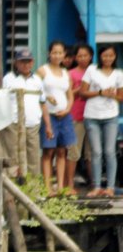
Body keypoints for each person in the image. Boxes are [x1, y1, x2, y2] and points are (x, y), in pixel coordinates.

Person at [80, 45, 123, 197]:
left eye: (111, 56)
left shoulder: (118, 73)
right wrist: (99, 92)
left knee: (110, 151)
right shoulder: (92, 69)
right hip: (92, 116)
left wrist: (112, 95)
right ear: (100, 56)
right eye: (105, 55)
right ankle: (96, 186)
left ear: (115, 57)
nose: (108, 59)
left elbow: (121, 97)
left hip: (111, 116)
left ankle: (110, 187)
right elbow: (82, 92)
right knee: (96, 152)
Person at [38, 41, 76, 195]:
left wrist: (67, 109)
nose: (57, 55)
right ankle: (47, 186)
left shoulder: (66, 73)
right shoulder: (43, 71)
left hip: (64, 116)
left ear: (64, 54)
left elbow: (70, 95)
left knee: (62, 152)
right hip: (48, 116)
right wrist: (47, 97)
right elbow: (35, 89)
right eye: (54, 52)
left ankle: (60, 186)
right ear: (49, 53)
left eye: (60, 53)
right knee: (48, 152)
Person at [0, 48, 45, 177]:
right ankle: (14, 189)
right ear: (16, 63)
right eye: (22, 62)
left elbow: (43, 102)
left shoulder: (37, 79)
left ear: (33, 62)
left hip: (33, 123)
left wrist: (47, 125)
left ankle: (33, 189)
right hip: (13, 123)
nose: (25, 65)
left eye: (28, 61)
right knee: (13, 156)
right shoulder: (9, 78)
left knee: (33, 157)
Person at [68, 43, 93, 187]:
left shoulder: (96, 71)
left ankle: (93, 182)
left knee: (92, 152)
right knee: (74, 151)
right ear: (75, 57)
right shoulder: (71, 73)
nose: (83, 58)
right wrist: (81, 89)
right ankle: (70, 184)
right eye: (79, 55)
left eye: (85, 55)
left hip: (94, 116)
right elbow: (68, 94)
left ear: (91, 56)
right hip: (76, 116)